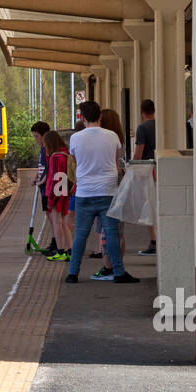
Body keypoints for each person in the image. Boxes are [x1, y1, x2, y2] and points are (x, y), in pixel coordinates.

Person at [66, 100, 138, 284]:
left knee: (81, 234)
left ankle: (73, 273)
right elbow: (115, 161)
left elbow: (75, 161)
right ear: (100, 116)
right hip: (108, 191)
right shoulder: (112, 136)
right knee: (112, 233)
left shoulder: (75, 138)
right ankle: (119, 273)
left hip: (84, 192)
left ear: (82, 118)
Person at [90, 108, 127, 274]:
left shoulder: (105, 142)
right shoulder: (120, 141)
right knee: (118, 231)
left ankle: (108, 266)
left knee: (105, 230)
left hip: (105, 189)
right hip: (120, 188)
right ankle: (118, 264)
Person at [42, 130, 74, 263]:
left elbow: (56, 178)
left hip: (57, 194)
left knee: (57, 223)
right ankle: (70, 250)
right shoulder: (65, 154)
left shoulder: (55, 157)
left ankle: (60, 251)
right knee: (64, 223)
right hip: (65, 192)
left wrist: (51, 200)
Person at [132, 99, 158, 255]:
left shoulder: (142, 128)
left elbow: (139, 152)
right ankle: (157, 240)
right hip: (161, 169)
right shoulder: (159, 125)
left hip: (148, 171)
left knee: (149, 206)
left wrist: (133, 169)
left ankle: (154, 241)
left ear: (142, 112)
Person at [30, 121, 57, 254]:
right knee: (49, 215)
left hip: (47, 187)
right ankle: (54, 240)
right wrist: (36, 176)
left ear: (44, 135)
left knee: (53, 216)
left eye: (36, 136)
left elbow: (50, 168)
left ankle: (57, 242)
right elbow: (42, 166)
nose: (35, 139)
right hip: (43, 186)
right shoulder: (43, 148)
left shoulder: (48, 148)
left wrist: (42, 181)